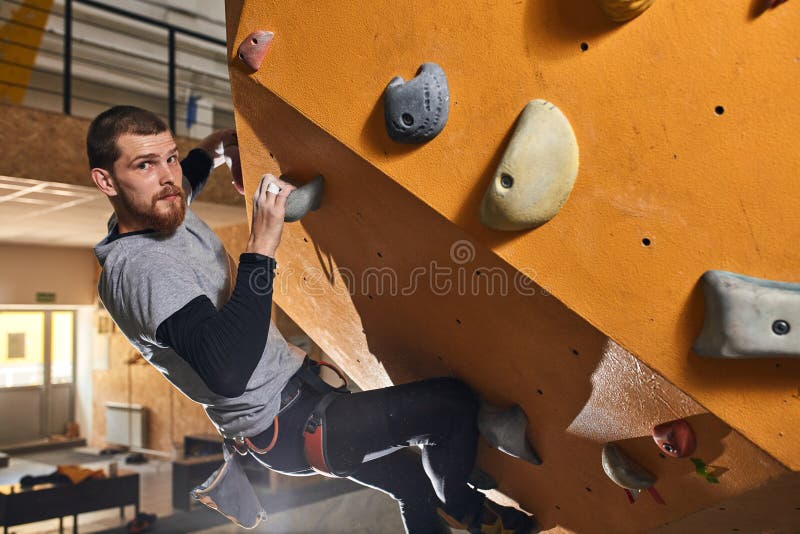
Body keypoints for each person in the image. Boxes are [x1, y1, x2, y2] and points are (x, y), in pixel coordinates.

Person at [90, 105, 537, 534]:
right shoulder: (143, 270)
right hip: (288, 425)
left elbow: (185, 178)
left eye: (169, 158)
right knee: (452, 405)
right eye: (146, 166)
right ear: (105, 181)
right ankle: (467, 511)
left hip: (297, 401)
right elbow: (227, 370)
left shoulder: (161, 206)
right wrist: (262, 243)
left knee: (411, 486)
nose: (168, 177)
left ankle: (450, 507)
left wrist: (212, 149)